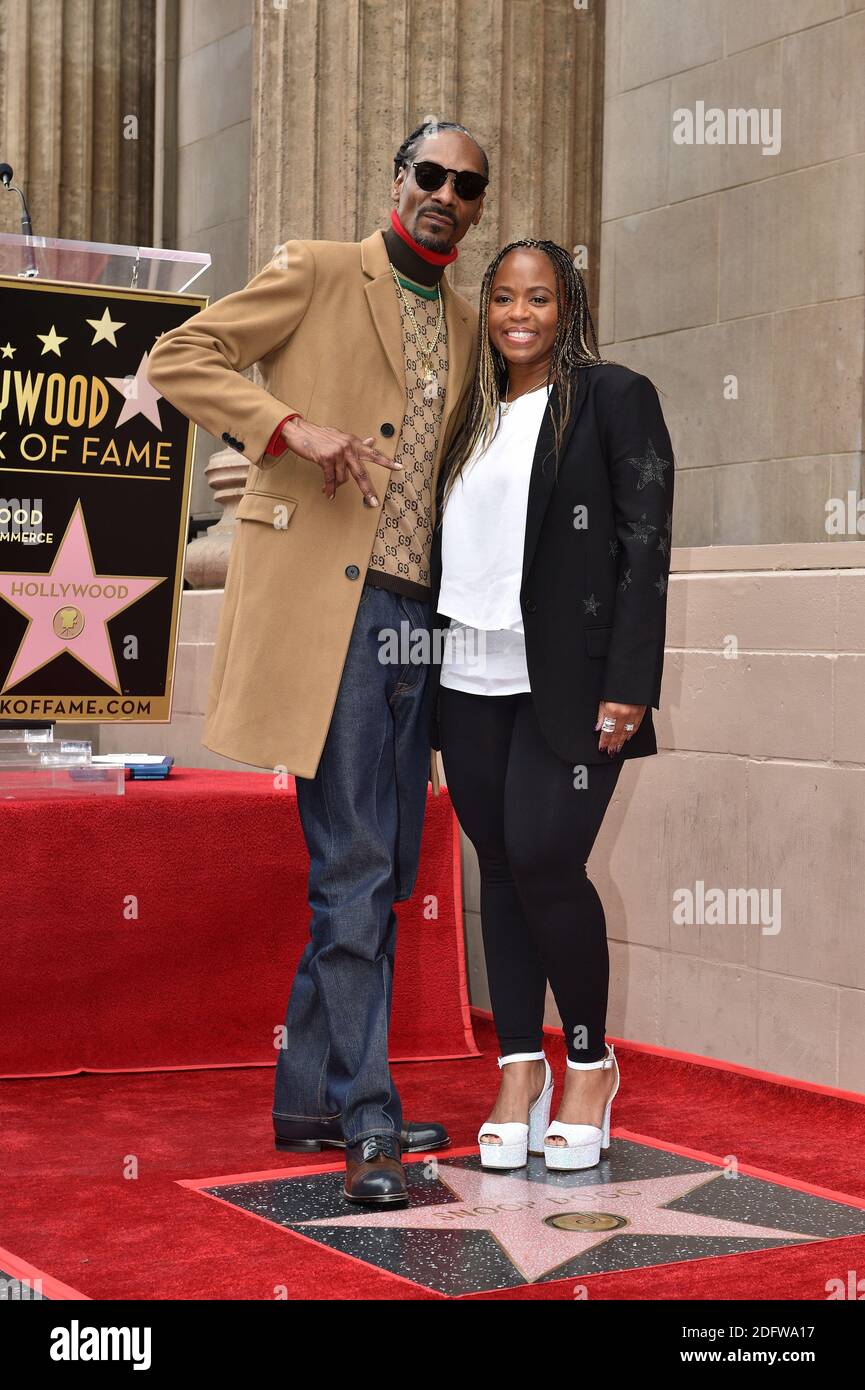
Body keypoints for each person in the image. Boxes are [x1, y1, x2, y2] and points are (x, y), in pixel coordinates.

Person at [146, 119, 488, 1206]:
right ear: (398, 178)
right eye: (430, 174)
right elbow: (177, 357)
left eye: (466, 186)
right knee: (354, 865)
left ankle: (312, 1098)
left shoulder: (469, 321)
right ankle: (368, 1118)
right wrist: (289, 429)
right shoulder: (319, 269)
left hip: (416, 618)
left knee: (384, 863)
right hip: (331, 615)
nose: (445, 195)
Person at [427, 239, 674, 1172]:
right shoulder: (467, 415)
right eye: (501, 297)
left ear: (567, 307)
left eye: (537, 297)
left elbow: (645, 545)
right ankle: (518, 1069)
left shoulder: (613, 397)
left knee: (543, 858)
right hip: (467, 673)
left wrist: (630, 683)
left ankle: (588, 1064)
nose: (517, 314)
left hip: (569, 681)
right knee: (498, 866)